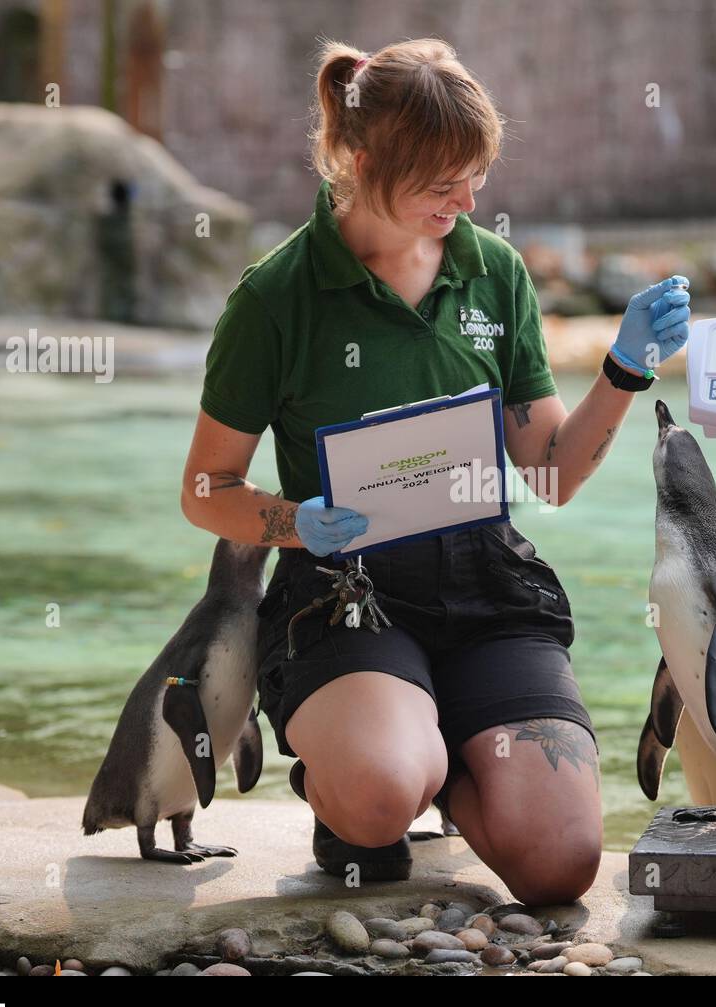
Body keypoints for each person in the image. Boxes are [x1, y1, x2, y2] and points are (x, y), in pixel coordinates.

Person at [180, 38, 690, 904]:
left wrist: (625, 371)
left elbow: (553, 475)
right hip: (348, 593)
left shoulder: (494, 274)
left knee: (563, 865)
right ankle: (366, 781)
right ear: (362, 159)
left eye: (476, 176)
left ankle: (444, 753)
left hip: (488, 588)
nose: (467, 201)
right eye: (440, 183)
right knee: (379, 800)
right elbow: (205, 493)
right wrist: (294, 521)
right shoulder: (276, 299)